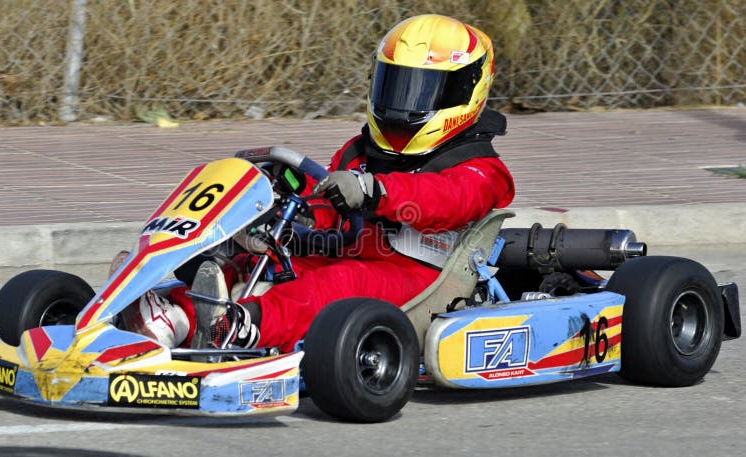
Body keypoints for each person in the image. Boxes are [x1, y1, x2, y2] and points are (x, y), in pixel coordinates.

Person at [120, 14, 515, 353]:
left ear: (464, 92)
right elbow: (330, 211)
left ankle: (238, 328)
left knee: (336, 284)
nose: (402, 102)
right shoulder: (360, 153)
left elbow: (447, 200)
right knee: (263, 264)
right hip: (352, 255)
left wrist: (375, 191)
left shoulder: (480, 168)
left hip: (424, 281)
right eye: (395, 85)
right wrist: (291, 214)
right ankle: (170, 317)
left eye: (419, 90)